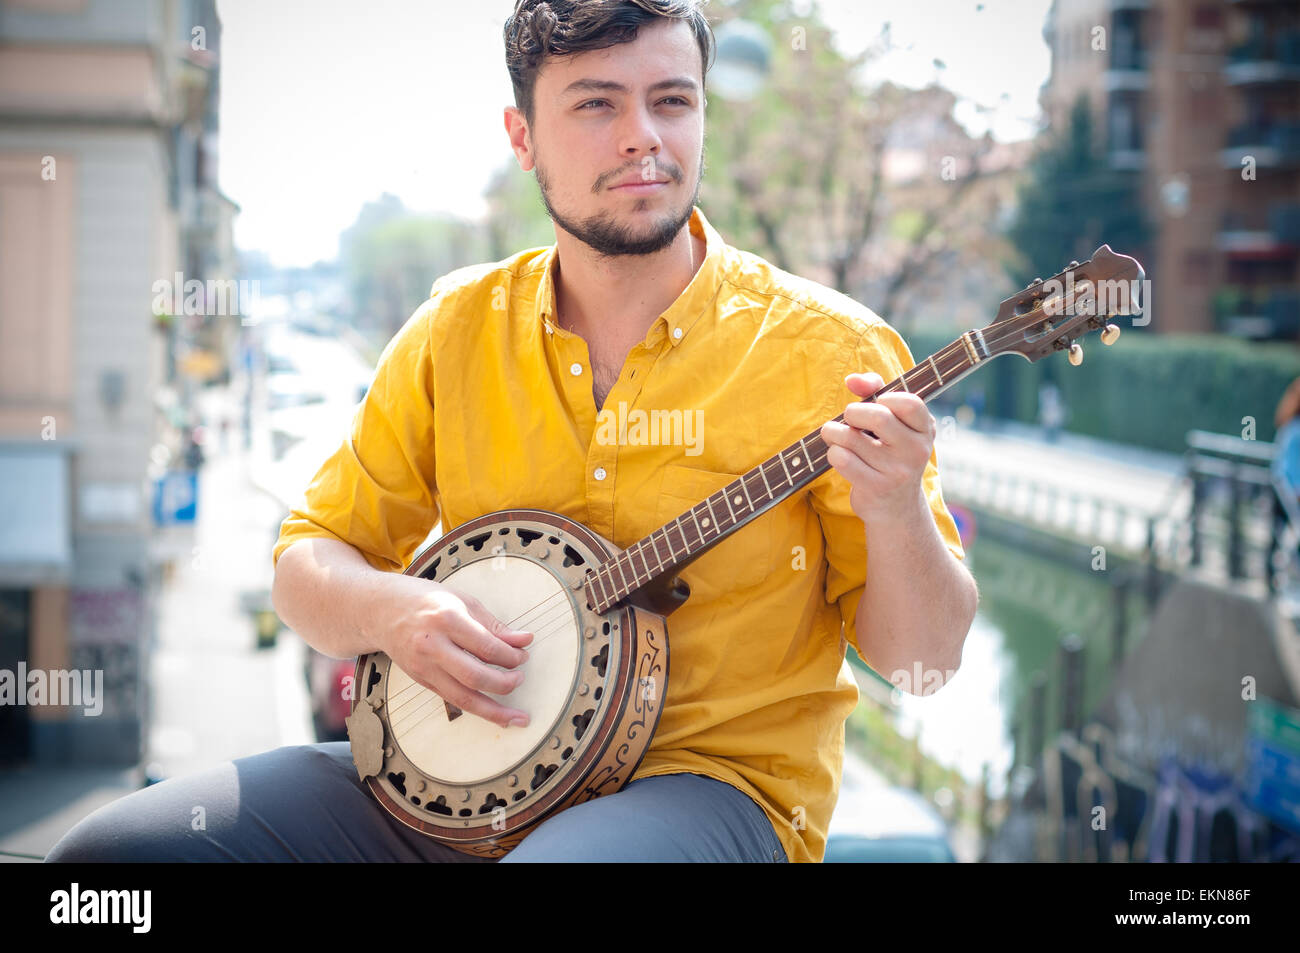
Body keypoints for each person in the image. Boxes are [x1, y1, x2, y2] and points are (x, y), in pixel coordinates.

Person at [47, 0, 977, 865]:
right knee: (117, 858)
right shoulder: (456, 329)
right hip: (448, 787)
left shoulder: (832, 350)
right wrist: (393, 613)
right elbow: (306, 562)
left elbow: (920, 664)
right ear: (522, 137)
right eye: (596, 104)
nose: (642, 136)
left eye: (671, 101)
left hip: (710, 790)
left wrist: (896, 510)